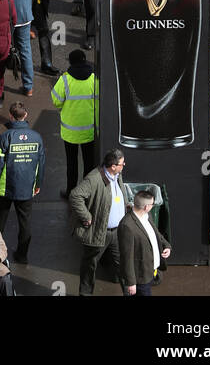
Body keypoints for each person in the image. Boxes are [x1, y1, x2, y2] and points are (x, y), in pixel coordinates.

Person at [0, 101, 45, 264]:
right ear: (26, 116)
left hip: (5, 188)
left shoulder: (5, 137)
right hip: (27, 188)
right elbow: (41, 164)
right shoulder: (37, 137)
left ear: (11, 116)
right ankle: (22, 255)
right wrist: (38, 184)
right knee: (25, 223)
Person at [69, 147, 128, 297]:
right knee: (90, 265)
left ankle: (129, 292)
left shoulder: (117, 174)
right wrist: (86, 216)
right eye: (122, 163)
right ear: (113, 166)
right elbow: (75, 196)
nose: (124, 165)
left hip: (117, 232)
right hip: (99, 232)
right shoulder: (94, 178)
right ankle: (85, 294)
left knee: (123, 265)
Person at [51, 48, 99, 196]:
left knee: (72, 163)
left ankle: (71, 191)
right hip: (89, 130)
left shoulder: (65, 79)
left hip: (70, 131)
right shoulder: (94, 79)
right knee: (89, 163)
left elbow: (56, 101)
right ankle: (87, 193)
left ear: (71, 62)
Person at [118, 188, 171, 296]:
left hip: (151, 271)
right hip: (140, 277)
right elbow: (126, 257)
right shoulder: (127, 226)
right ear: (146, 207)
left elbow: (156, 234)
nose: (153, 206)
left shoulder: (147, 216)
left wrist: (167, 245)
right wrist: (131, 282)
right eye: (152, 204)